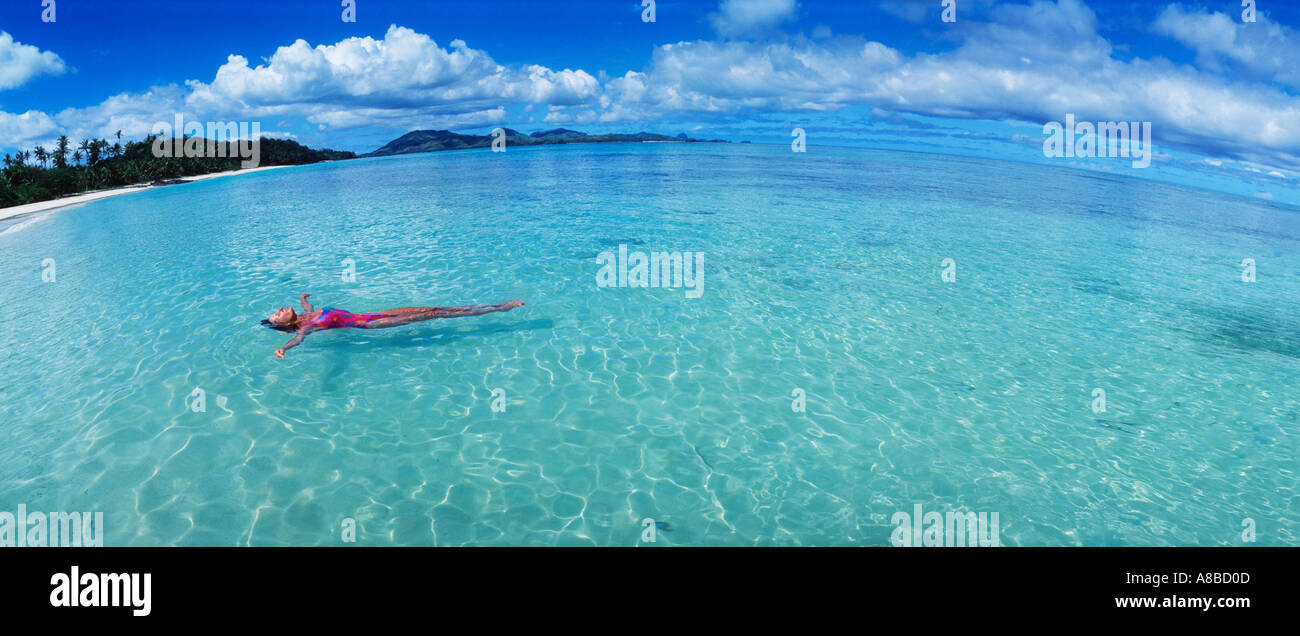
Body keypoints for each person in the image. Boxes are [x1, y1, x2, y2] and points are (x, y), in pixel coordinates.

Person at [264, 293, 524, 358]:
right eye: (277, 315)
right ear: (285, 326)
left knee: (430, 308)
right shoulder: (304, 329)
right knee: (436, 314)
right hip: (373, 325)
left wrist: (302, 299)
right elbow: (299, 340)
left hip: (375, 313)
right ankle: (500, 308)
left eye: (277, 311)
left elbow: (309, 309)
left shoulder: (308, 316)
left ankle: (493, 306)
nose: (279, 310)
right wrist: (285, 349)